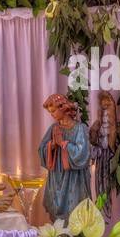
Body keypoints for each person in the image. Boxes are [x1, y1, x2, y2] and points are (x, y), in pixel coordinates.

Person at [39, 92, 91, 220]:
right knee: (57, 215)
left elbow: (82, 153)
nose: (52, 115)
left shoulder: (80, 128)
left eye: (53, 111)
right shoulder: (53, 128)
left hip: (74, 179)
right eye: (50, 112)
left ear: (63, 108)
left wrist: (64, 144)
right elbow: (42, 149)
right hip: (56, 177)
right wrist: (51, 146)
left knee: (75, 211)